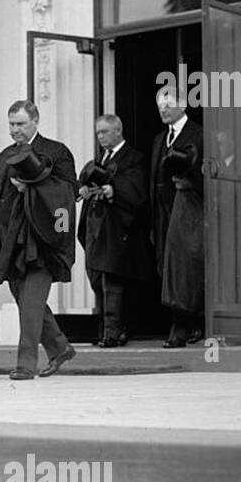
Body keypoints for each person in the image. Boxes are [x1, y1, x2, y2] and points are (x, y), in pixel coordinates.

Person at [0, 99, 77, 380]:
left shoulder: (56, 152)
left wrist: (34, 185)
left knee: (31, 303)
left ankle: (26, 364)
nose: (15, 130)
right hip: (11, 241)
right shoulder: (4, 156)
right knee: (26, 301)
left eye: (21, 124)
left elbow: (69, 195)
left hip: (43, 240)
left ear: (36, 121)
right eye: (11, 124)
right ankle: (60, 348)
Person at [76, 114, 151, 347]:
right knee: (97, 279)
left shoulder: (134, 157)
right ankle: (106, 331)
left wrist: (112, 189)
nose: (100, 137)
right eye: (98, 132)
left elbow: (137, 186)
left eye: (104, 132)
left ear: (118, 130)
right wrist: (85, 190)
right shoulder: (100, 159)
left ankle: (113, 332)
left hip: (117, 229)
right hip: (95, 228)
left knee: (112, 281)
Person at [150, 89, 204, 347]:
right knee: (168, 268)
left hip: (190, 211)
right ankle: (183, 324)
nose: (163, 109)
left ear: (183, 106)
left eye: (169, 104)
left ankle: (188, 324)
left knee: (188, 268)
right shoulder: (159, 139)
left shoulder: (199, 134)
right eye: (160, 105)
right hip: (164, 214)